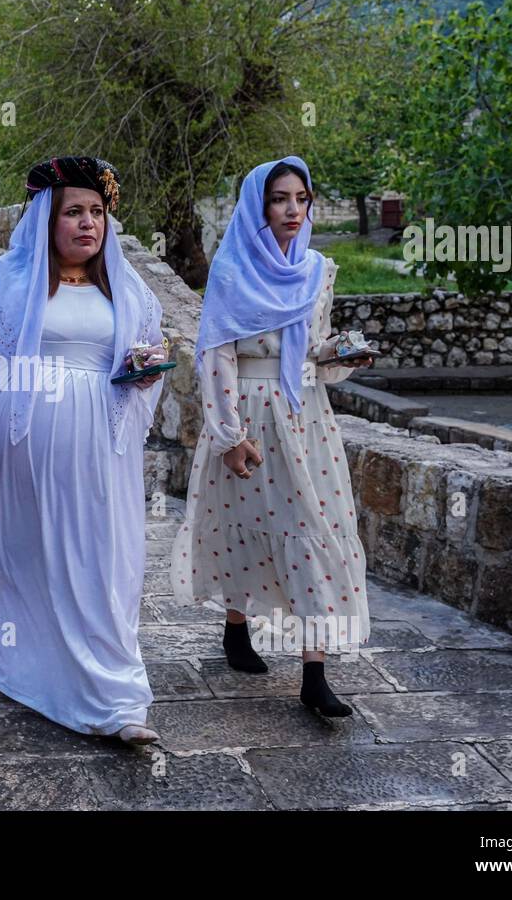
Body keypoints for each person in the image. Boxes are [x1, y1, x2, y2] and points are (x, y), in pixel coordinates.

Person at [0, 156, 170, 745]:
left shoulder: (128, 287)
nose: (88, 224)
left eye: (97, 212)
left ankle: (115, 694)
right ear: (46, 219)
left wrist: (146, 372)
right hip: (21, 449)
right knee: (30, 558)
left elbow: (148, 354)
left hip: (100, 450)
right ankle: (27, 668)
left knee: (103, 559)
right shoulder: (4, 280)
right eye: (74, 212)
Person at [171, 156, 373, 717]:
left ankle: (315, 671)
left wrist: (343, 355)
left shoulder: (317, 271)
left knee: (317, 530)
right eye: (280, 199)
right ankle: (237, 626)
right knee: (247, 528)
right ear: (259, 208)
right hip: (250, 419)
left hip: (307, 417)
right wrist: (228, 435)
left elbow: (314, 351)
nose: (292, 209)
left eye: (301, 198)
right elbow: (216, 358)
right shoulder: (233, 274)